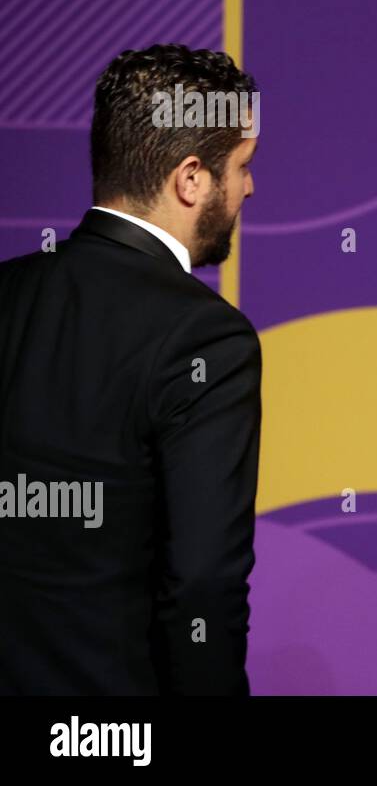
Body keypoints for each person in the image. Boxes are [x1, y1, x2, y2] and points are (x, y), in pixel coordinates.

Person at [0, 44, 262, 694]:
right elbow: (201, 583)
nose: (250, 186)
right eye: (243, 166)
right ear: (192, 178)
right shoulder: (207, 337)